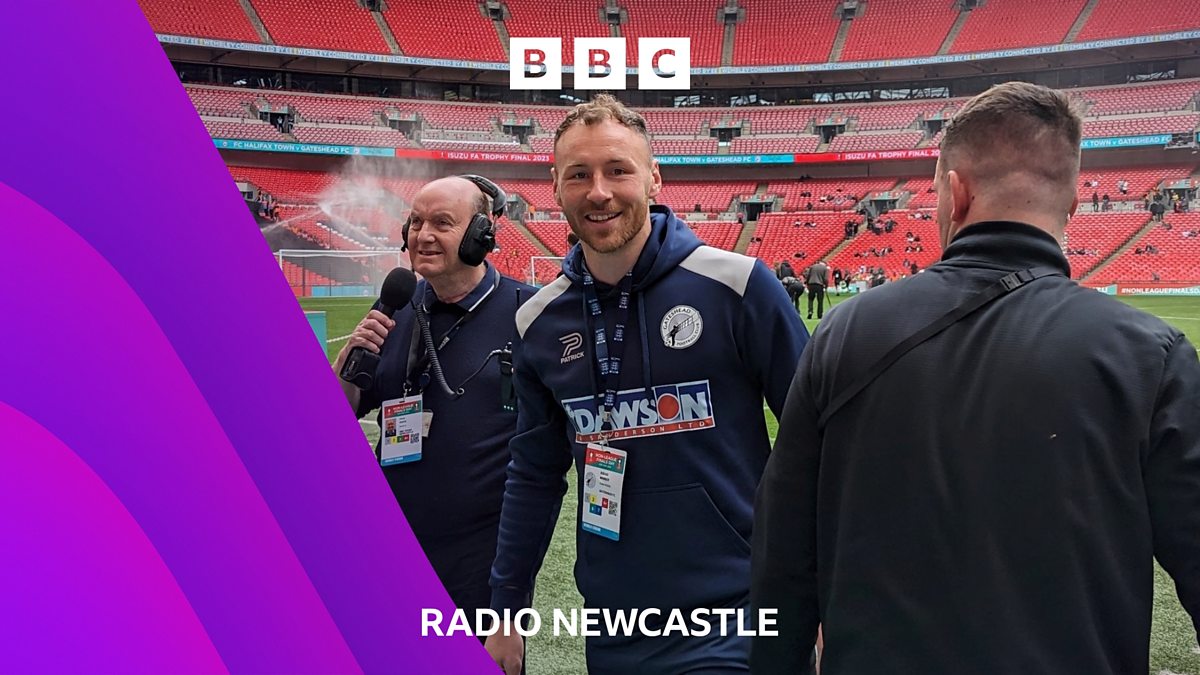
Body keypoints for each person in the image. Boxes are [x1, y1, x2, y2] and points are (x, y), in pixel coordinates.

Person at [751, 81, 1200, 675]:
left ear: (956, 193)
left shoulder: (844, 332)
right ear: (1071, 206)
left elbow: (782, 557)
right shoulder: (1151, 355)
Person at [486, 94, 808, 674]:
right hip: (615, 622)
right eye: (578, 175)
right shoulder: (538, 321)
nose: (599, 192)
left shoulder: (737, 286)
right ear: (554, 187)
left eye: (618, 170)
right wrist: (507, 609)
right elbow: (533, 474)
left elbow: (820, 442)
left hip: (739, 611)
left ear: (654, 178)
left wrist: (828, 592)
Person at [333, 175, 535, 630]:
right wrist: (347, 362)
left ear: (481, 234)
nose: (423, 235)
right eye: (416, 222)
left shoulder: (530, 312)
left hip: (481, 562)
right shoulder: (394, 307)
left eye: (442, 223)